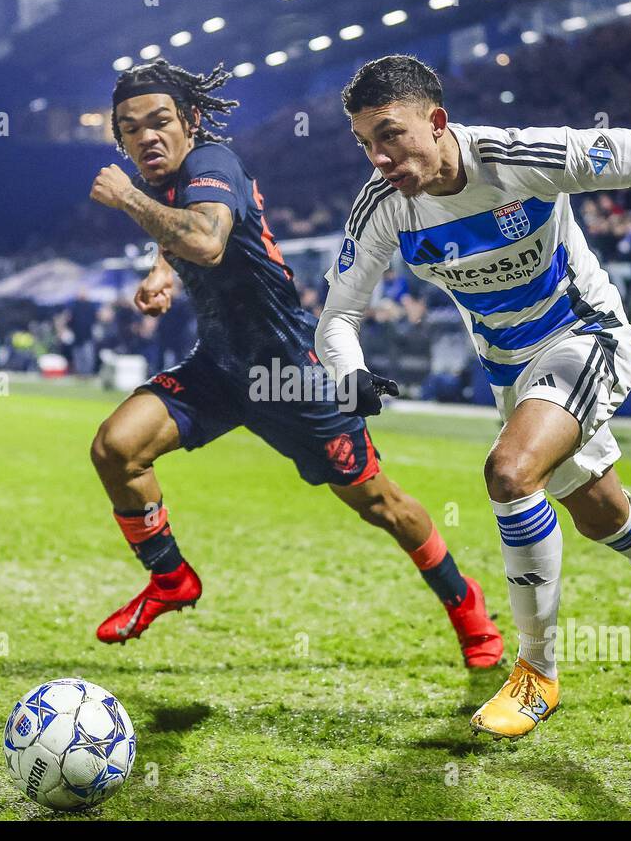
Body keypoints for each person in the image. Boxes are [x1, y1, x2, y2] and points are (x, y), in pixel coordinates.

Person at [316, 55, 631, 738]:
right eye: (365, 144)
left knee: (508, 472)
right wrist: (349, 372)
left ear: (436, 122)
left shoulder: (520, 158)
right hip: (511, 374)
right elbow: (337, 317)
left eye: (390, 134)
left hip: (586, 336)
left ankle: (537, 673)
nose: (379, 157)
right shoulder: (384, 208)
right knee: (600, 513)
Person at [86, 59, 503, 666]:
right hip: (221, 369)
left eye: (159, 122)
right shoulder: (167, 181)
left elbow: (205, 237)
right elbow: (181, 233)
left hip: (288, 376)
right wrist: (160, 269)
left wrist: (125, 200)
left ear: (192, 122)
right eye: (130, 128)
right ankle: (171, 578)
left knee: (380, 504)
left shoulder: (211, 164)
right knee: (115, 447)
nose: (146, 136)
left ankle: (465, 602)